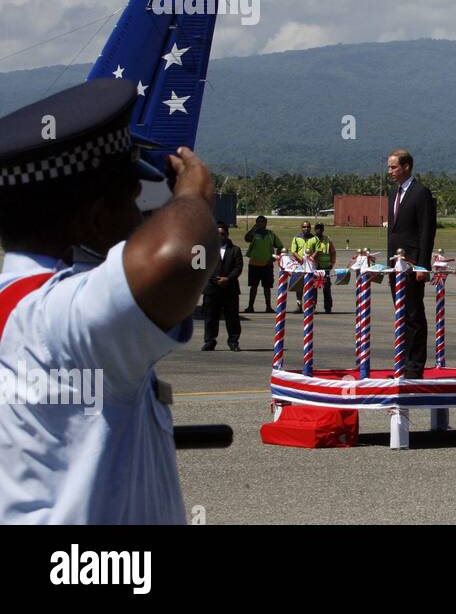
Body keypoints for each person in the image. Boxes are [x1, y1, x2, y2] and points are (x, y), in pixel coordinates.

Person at [0, 79, 217, 523]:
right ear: (95, 220)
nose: (141, 218)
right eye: (131, 204)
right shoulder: (60, 320)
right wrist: (193, 199)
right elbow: (176, 258)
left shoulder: (18, 306)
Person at [388, 149, 438, 377]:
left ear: (406, 166)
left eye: (393, 167)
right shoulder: (394, 193)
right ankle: (402, 362)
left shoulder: (420, 193)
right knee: (401, 314)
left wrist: (422, 265)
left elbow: (426, 231)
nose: (390, 172)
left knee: (414, 314)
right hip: (395, 263)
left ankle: (415, 365)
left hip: (412, 263)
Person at [202, 221, 244, 351]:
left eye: (223, 234)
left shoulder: (235, 250)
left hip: (229, 289)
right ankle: (210, 341)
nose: (220, 236)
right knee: (210, 317)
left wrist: (228, 278)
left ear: (227, 234)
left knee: (232, 317)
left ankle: (233, 341)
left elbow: (238, 267)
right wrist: (215, 279)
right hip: (212, 289)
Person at [243, 215, 282, 312]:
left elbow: (280, 246)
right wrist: (253, 228)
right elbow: (247, 238)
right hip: (254, 264)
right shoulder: (254, 234)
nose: (261, 223)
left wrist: (275, 257)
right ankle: (250, 306)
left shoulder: (270, 234)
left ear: (266, 223)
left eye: (262, 222)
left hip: (267, 264)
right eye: (258, 222)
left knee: (267, 287)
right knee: (253, 286)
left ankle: (268, 307)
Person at [305, 222, 336, 313]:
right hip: (315, 268)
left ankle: (328, 307)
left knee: (326, 287)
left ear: (323, 229)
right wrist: (313, 264)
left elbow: (332, 252)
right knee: (314, 288)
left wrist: (332, 263)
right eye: (317, 228)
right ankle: (313, 306)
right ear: (315, 230)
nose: (319, 230)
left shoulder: (327, 240)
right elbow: (308, 254)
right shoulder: (311, 241)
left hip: (326, 268)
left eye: (321, 228)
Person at [289, 220, 312, 311]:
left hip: (310, 265)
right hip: (300, 264)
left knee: (311, 286)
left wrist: (311, 258)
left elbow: (317, 250)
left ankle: (311, 306)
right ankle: (299, 305)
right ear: (301, 228)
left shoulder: (314, 238)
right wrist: (301, 259)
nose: (306, 228)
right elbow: (293, 251)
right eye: (304, 227)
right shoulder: (296, 238)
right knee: (299, 286)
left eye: (308, 227)